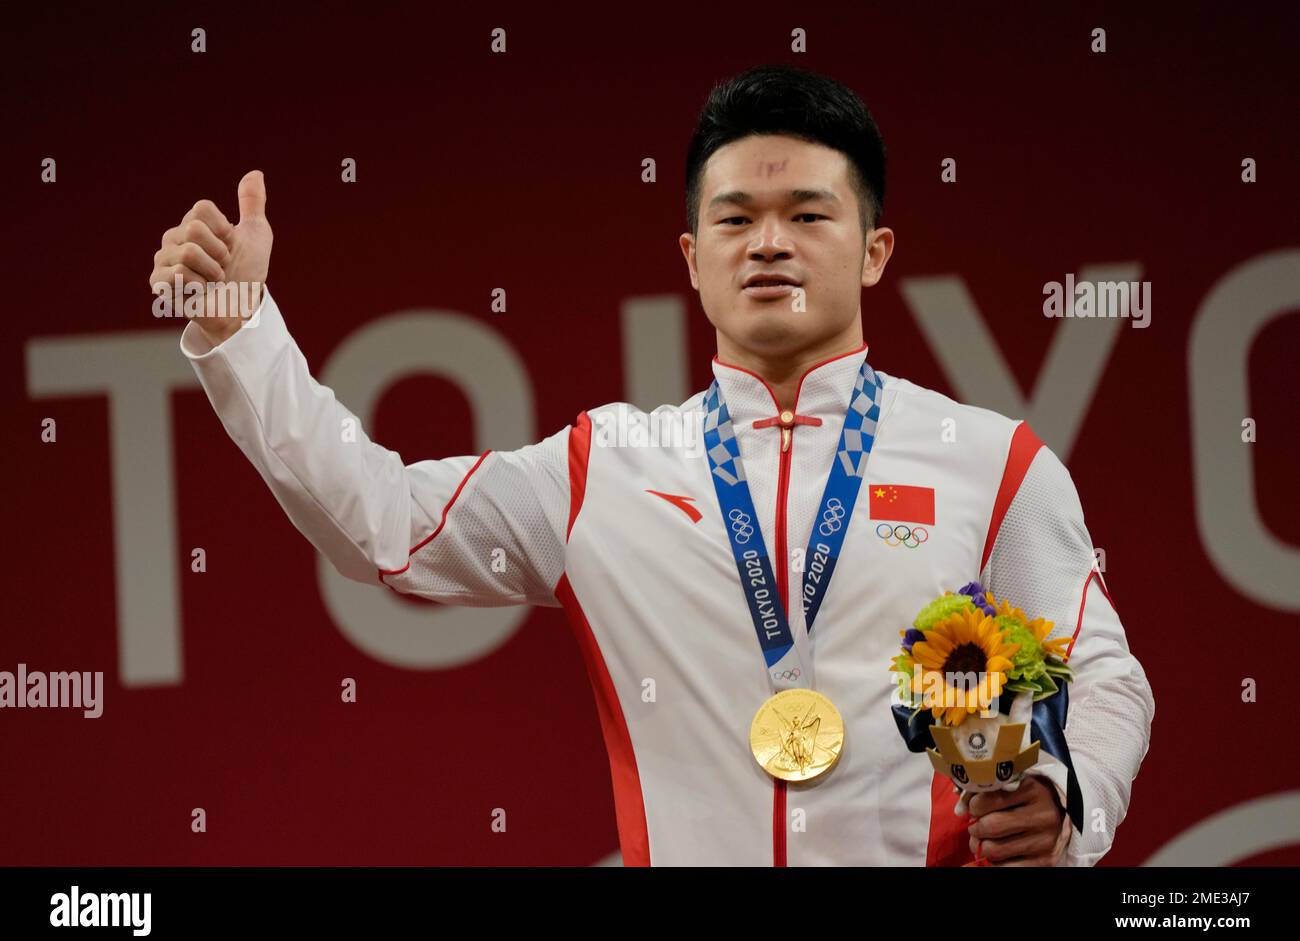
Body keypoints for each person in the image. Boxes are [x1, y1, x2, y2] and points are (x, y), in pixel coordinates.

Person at [151, 64, 1153, 866]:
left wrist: (1070, 799)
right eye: (734, 219)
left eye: (809, 215)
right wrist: (244, 334)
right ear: (689, 255)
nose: (770, 244)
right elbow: (379, 519)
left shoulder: (990, 460)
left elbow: (1104, 674)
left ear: (875, 250)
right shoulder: (605, 468)